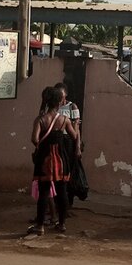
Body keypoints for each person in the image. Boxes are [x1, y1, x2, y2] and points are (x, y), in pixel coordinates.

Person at [27, 86, 77, 236]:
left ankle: (40, 226)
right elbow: (74, 136)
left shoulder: (41, 119)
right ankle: (62, 224)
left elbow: (34, 139)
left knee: (44, 193)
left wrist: (42, 146)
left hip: (45, 160)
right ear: (59, 102)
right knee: (62, 193)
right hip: (61, 160)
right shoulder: (64, 120)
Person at [55, 82, 83, 212]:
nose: (60, 97)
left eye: (61, 94)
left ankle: (68, 203)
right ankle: (58, 203)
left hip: (69, 142)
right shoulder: (53, 108)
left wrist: (77, 147)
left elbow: (76, 130)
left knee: (69, 172)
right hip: (57, 142)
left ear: (65, 94)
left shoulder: (72, 107)